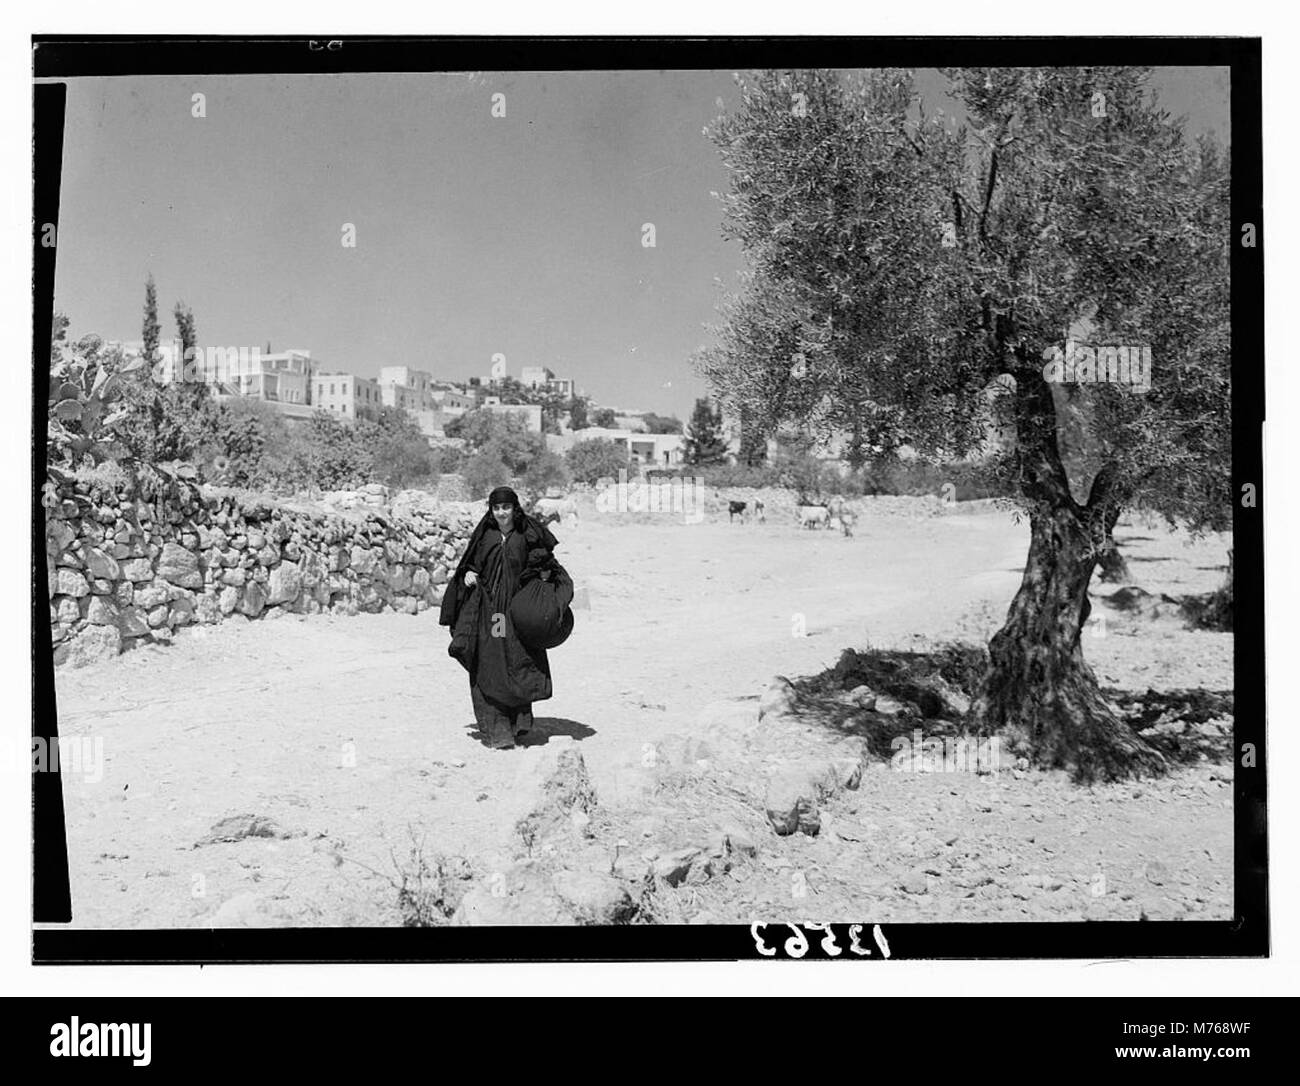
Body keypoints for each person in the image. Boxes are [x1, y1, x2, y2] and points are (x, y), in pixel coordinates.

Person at [438, 486, 560, 749]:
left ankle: (519, 723)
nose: (502, 513)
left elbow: (546, 564)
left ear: (514, 508)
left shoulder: (526, 535)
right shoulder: (487, 536)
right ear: (491, 510)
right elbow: (470, 564)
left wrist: (544, 577)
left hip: (518, 611)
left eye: (506, 507)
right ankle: (498, 729)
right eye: (497, 508)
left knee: (519, 658)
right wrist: (469, 574)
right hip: (494, 613)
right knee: (494, 660)